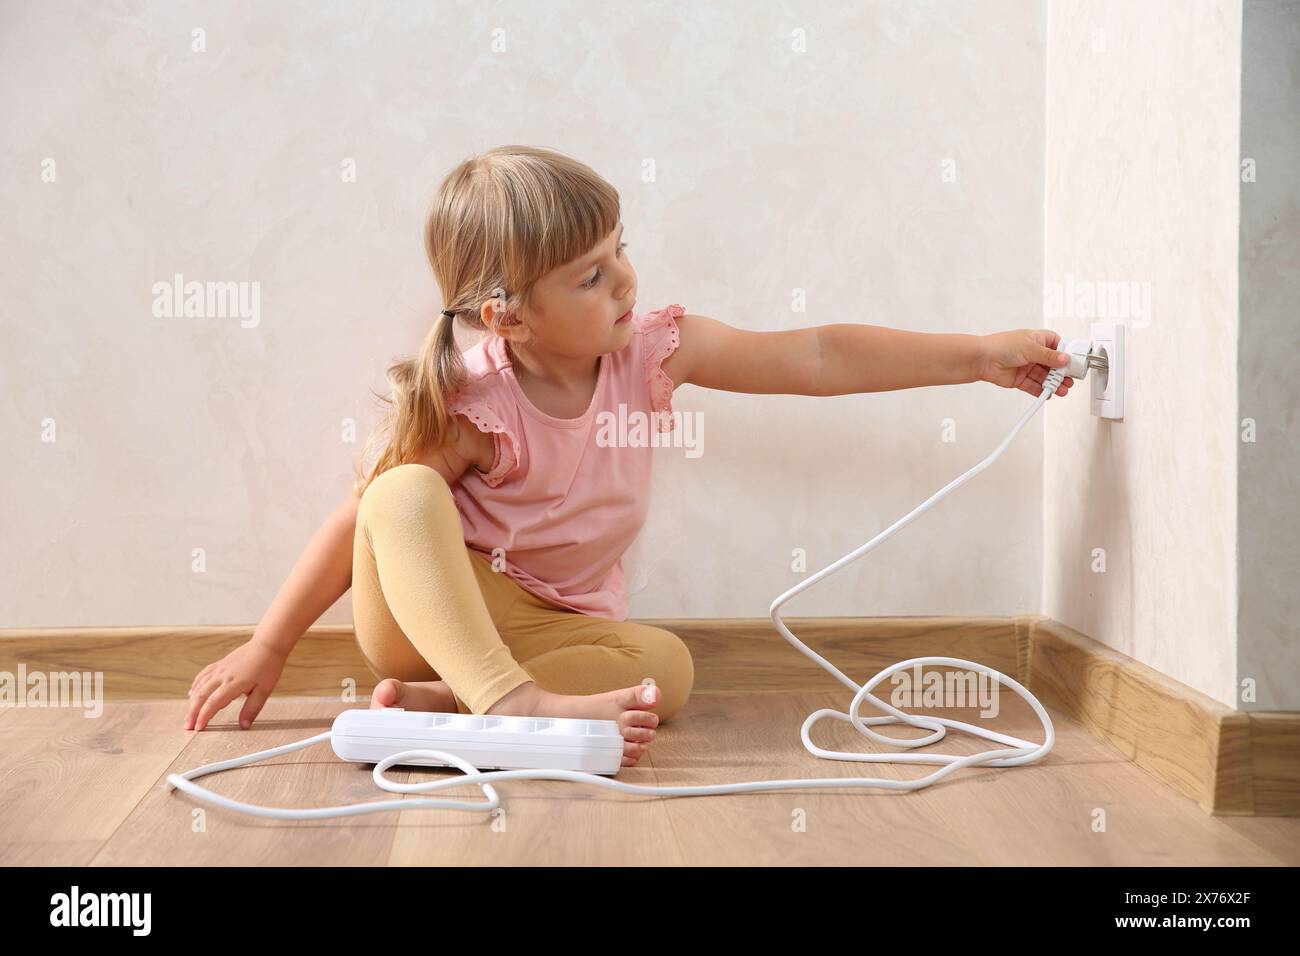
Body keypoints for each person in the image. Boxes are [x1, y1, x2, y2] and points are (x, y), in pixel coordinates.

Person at [183, 144, 1075, 768]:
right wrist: (269, 643)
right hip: (431, 616)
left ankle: (458, 709)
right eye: (591, 275)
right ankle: (512, 706)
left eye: (621, 254)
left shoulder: (652, 351)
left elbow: (815, 355)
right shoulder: (475, 398)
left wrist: (977, 356)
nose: (626, 282)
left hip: (555, 629)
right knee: (399, 490)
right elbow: (365, 524)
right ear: (508, 316)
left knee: (668, 673)